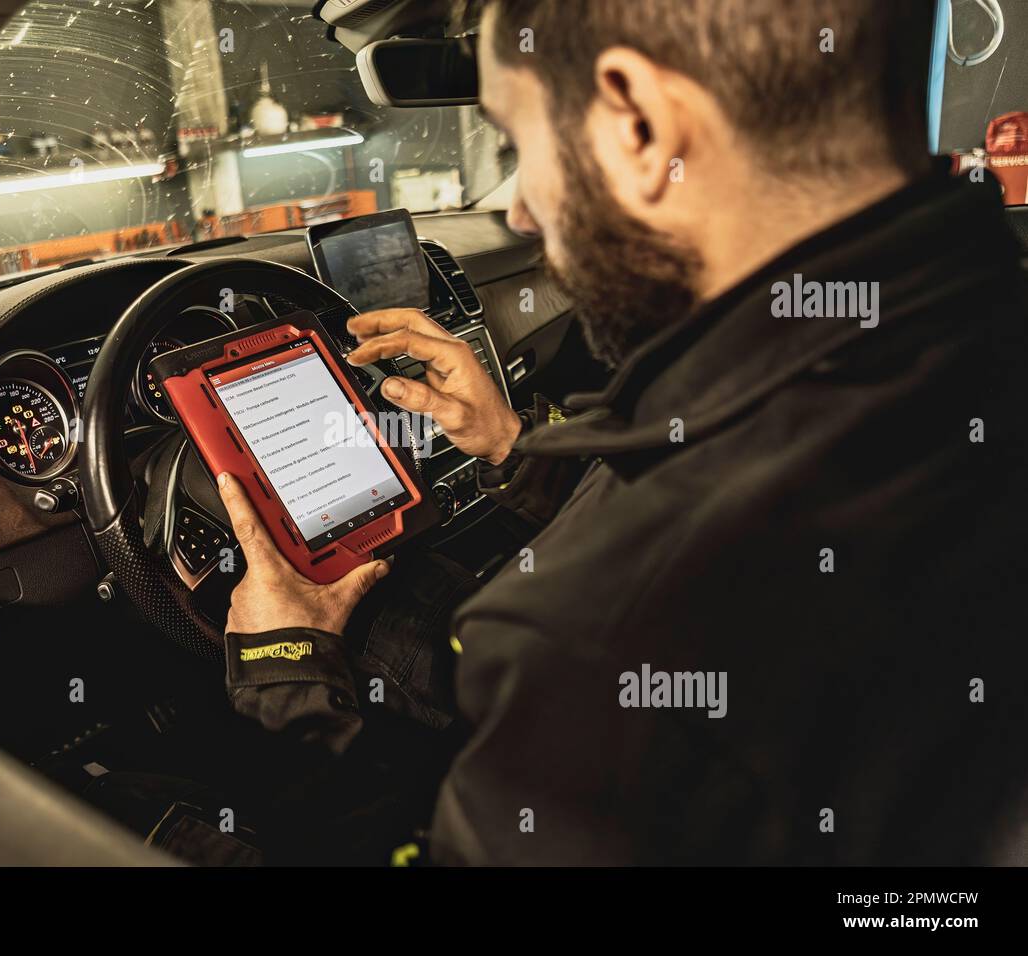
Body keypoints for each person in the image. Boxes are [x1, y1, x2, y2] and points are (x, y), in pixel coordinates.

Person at [213, 0, 1028, 864]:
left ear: (639, 125)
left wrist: (288, 678)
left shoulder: (601, 646)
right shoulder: (976, 328)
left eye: (524, 146)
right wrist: (514, 449)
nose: (522, 213)